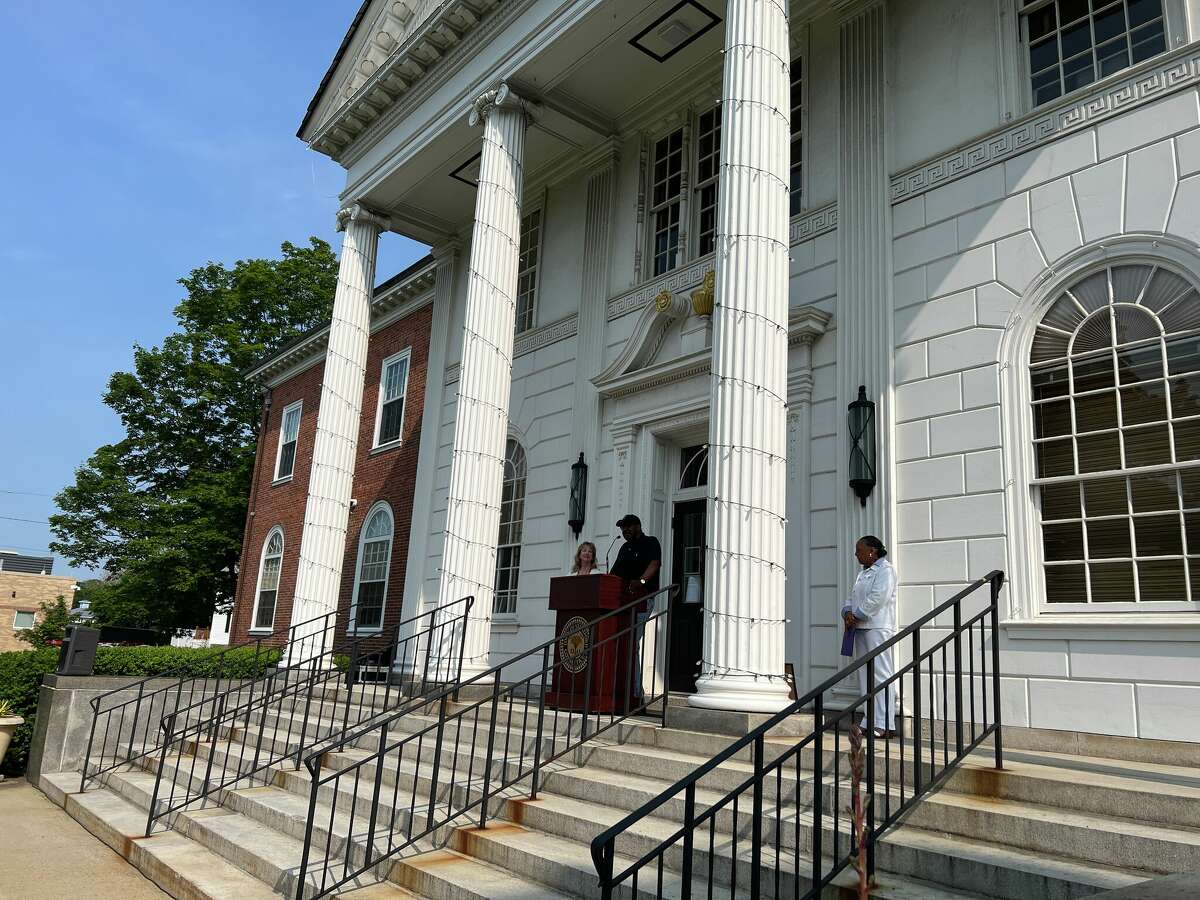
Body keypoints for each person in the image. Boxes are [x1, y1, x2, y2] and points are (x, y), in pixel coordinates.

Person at [841, 535, 898, 738]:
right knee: (865, 675)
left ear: (872, 551)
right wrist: (847, 612)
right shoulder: (863, 574)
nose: (856, 554)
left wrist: (856, 615)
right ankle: (869, 720)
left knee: (881, 675)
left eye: (859, 550)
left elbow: (878, 598)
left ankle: (884, 723)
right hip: (861, 628)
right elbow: (852, 596)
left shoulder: (886, 570)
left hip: (877, 628)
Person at [611, 514, 661, 699]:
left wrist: (640, 581)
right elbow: (614, 574)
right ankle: (619, 691)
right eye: (622, 528)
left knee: (631, 643)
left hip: (643, 599)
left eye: (628, 527)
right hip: (623, 601)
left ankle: (635, 695)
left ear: (638, 526)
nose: (624, 531)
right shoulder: (624, 548)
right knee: (623, 643)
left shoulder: (650, 542)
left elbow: (654, 564)